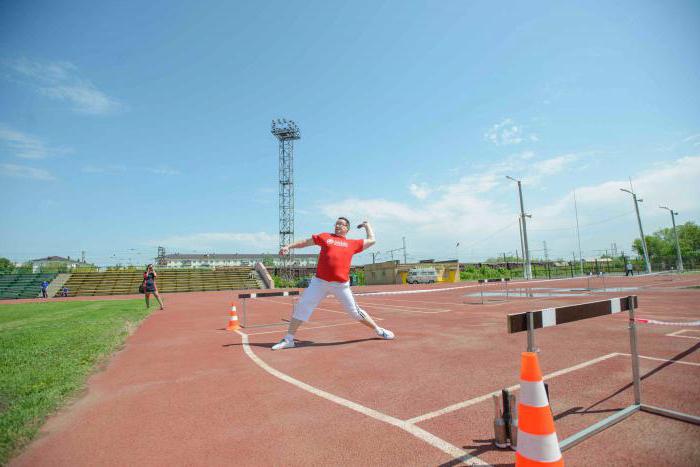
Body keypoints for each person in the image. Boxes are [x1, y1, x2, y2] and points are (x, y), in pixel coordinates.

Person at [272, 217, 394, 350]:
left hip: (341, 285)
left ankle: (378, 330)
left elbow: (372, 240)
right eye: (337, 223)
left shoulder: (352, 243)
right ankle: (289, 339)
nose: (338, 226)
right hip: (319, 282)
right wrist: (288, 246)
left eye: (342, 224)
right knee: (303, 306)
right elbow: (305, 242)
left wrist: (367, 226)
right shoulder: (326, 237)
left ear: (347, 228)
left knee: (355, 312)